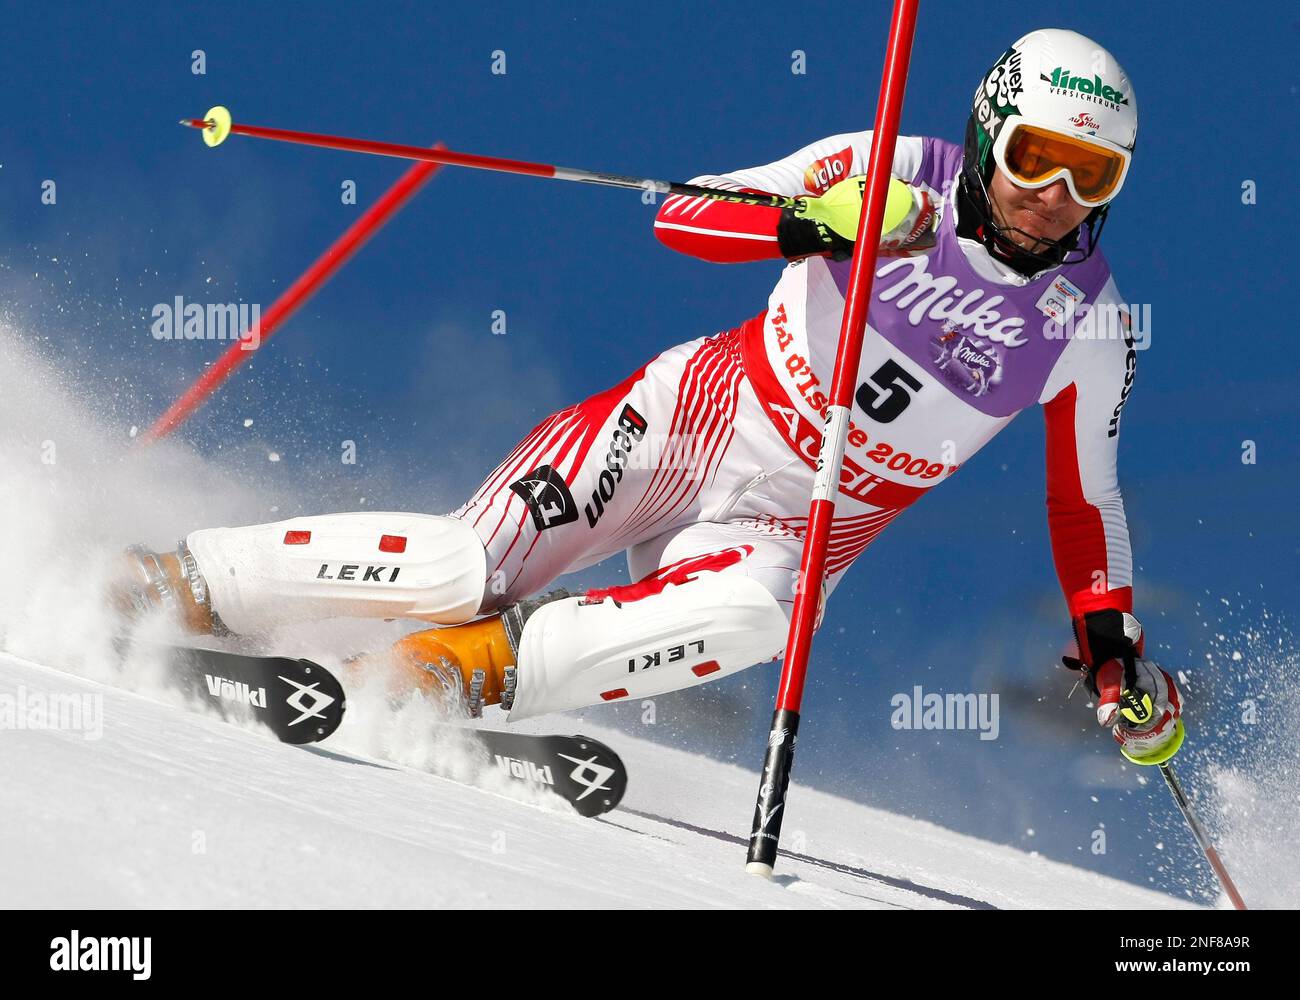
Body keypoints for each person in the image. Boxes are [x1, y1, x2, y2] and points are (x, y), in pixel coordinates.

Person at [120, 28, 1181, 764]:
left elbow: (1082, 503)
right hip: (697, 421)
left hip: (799, 523)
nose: (1055, 197)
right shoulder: (886, 163)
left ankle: (460, 672)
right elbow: (681, 215)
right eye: (1037, 157)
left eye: (1094, 176)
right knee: (461, 565)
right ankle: (188, 579)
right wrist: (817, 221)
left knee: (760, 617)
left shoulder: (1088, 322)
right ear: (991, 128)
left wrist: (1109, 646)